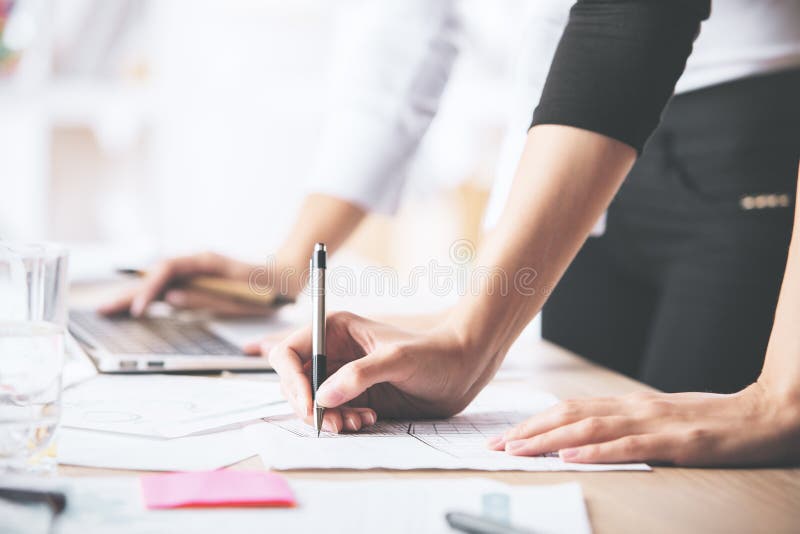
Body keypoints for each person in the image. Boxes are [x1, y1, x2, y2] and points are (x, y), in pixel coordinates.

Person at [264, 0, 800, 467]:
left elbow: (632, 12)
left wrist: (783, 398)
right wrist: (466, 334)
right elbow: (414, 37)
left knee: (705, 486)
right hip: (589, 144)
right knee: (594, 460)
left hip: (753, 135)